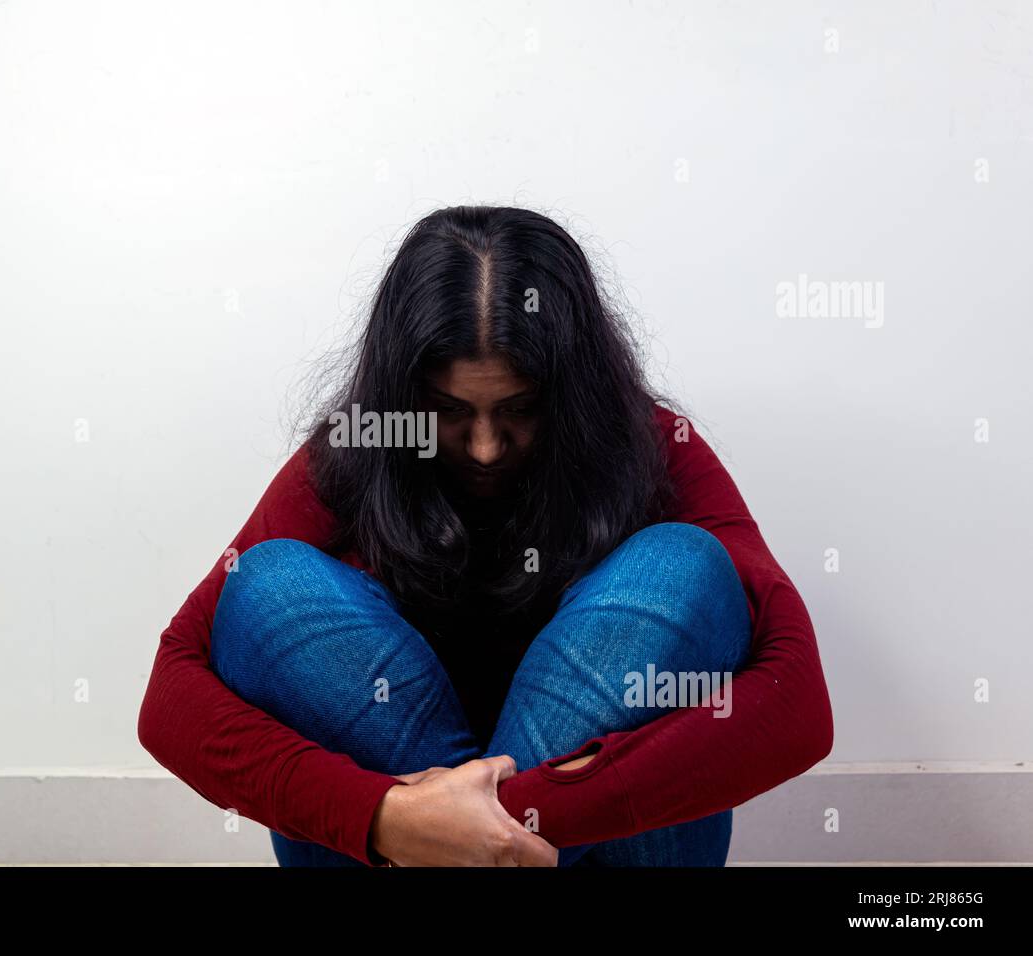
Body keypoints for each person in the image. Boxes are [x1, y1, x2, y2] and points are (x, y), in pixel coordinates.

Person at [137, 205, 834, 867]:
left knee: (682, 567)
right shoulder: (353, 455)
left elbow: (798, 700)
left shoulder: (650, 448)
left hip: (581, 850)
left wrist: (493, 830)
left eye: (521, 409)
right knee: (268, 586)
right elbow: (171, 696)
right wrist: (385, 816)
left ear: (572, 393)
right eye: (448, 411)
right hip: (400, 847)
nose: (485, 448)